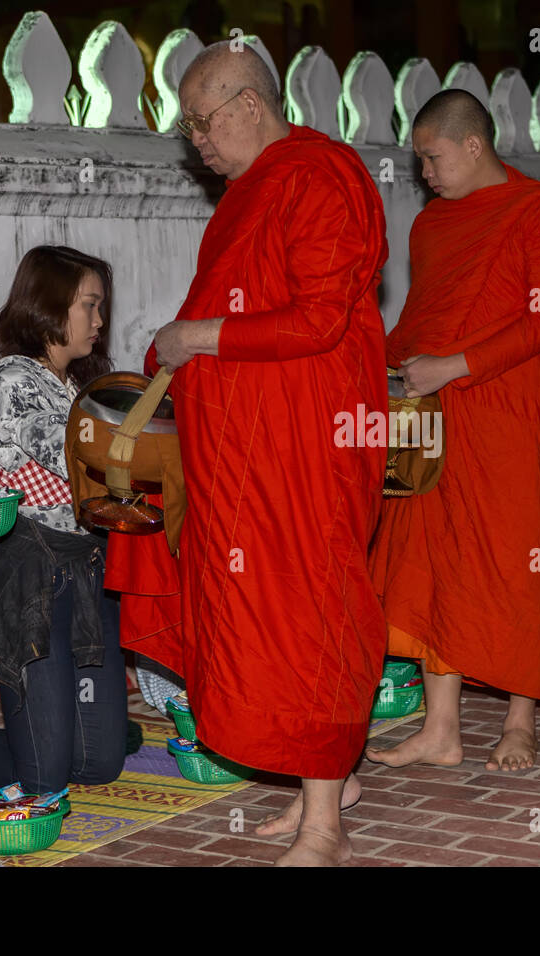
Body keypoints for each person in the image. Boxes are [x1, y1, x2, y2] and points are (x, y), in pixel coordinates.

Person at [150, 41, 388, 866]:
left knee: (311, 608)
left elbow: (320, 319)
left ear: (252, 104)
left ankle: (327, 824)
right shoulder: (250, 193)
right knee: (263, 621)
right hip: (250, 453)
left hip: (307, 444)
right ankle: (323, 782)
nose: (198, 144)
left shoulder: (317, 175)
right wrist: (180, 351)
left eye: (204, 123)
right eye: (189, 131)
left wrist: (195, 335)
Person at [363, 90, 540, 773]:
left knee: (516, 558)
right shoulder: (432, 226)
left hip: (512, 409)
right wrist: (374, 358)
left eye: (431, 158)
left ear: (472, 145)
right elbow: (421, 316)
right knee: (434, 561)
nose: (423, 174)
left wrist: (452, 367)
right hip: (437, 412)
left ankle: (520, 721)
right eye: (418, 160)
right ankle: (442, 729)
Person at [0, 246, 128, 795]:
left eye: (100, 307)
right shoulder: (16, 379)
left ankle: (49, 735)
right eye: (89, 305)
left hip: (87, 571)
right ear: (50, 305)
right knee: (42, 778)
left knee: (98, 765)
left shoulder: (73, 383)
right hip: (35, 577)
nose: (99, 320)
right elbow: (80, 454)